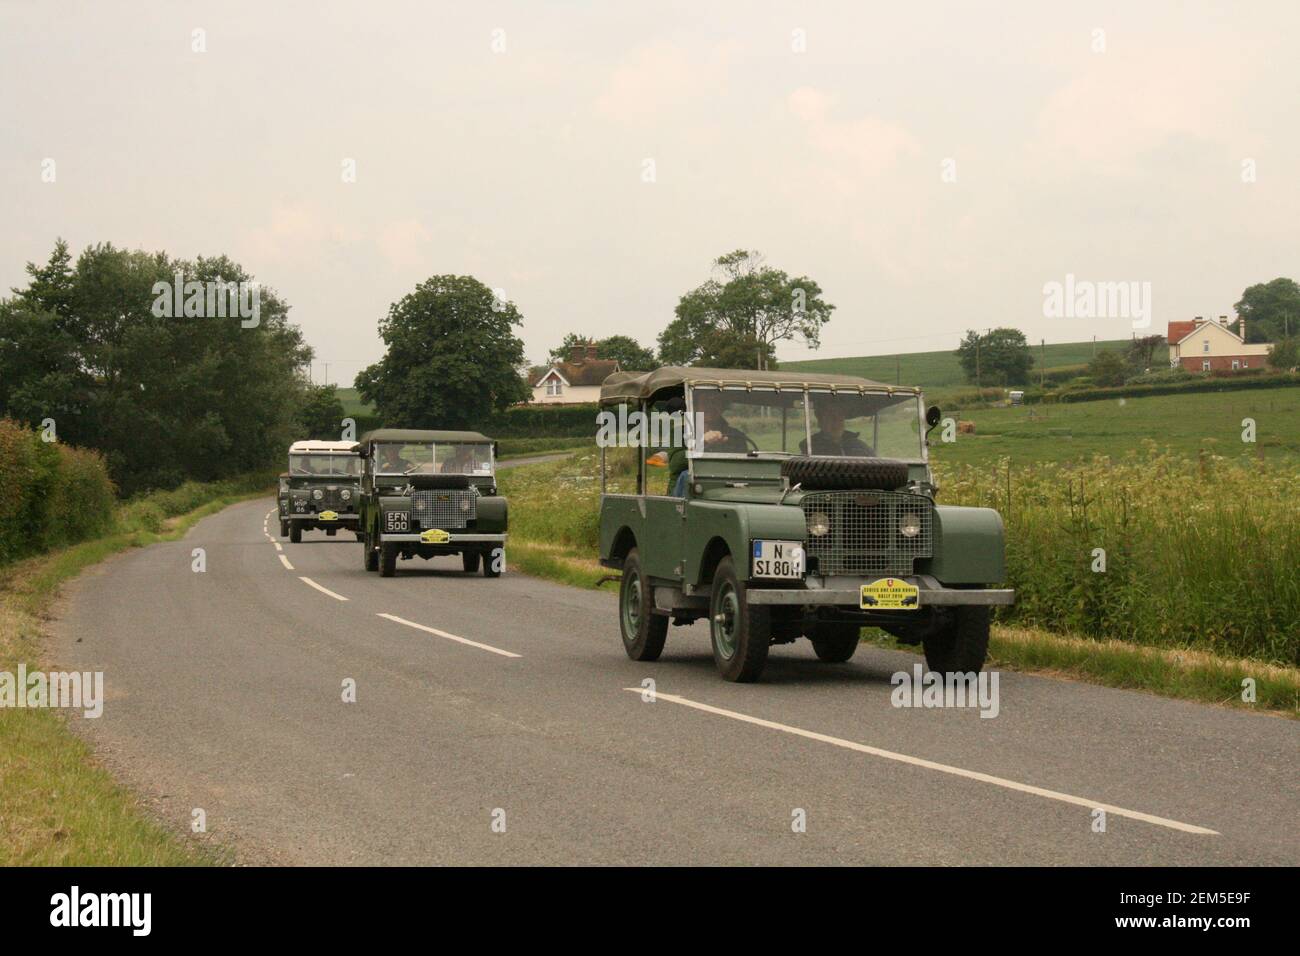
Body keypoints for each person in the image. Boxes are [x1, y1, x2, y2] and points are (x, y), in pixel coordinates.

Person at [668, 391, 750, 496]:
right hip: (686, 494)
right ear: (695, 405)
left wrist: (721, 445)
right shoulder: (680, 432)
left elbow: (743, 467)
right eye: (706, 401)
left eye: (716, 401)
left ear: (722, 406)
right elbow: (675, 464)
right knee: (686, 475)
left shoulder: (735, 435)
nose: (710, 406)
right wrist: (702, 442)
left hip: (725, 488)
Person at [802, 395, 873, 457]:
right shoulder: (810, 449)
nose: (836, 421)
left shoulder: (860, 447)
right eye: (830, 416)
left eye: (840, 415)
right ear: (820, 421)